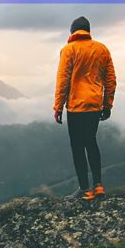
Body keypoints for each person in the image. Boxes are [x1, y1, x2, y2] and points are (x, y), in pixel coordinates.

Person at [52, 16, 117, 200]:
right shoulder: (102, 49)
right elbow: (111, 80)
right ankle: (98, 186)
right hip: (95, 105)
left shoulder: (68, 50)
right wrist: (108, 104)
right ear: (88, 31)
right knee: (91, 142)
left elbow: (63, 80)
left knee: (77, 146)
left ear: (73, 32)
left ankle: (85, 189)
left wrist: (58, 106)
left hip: (76, 107)